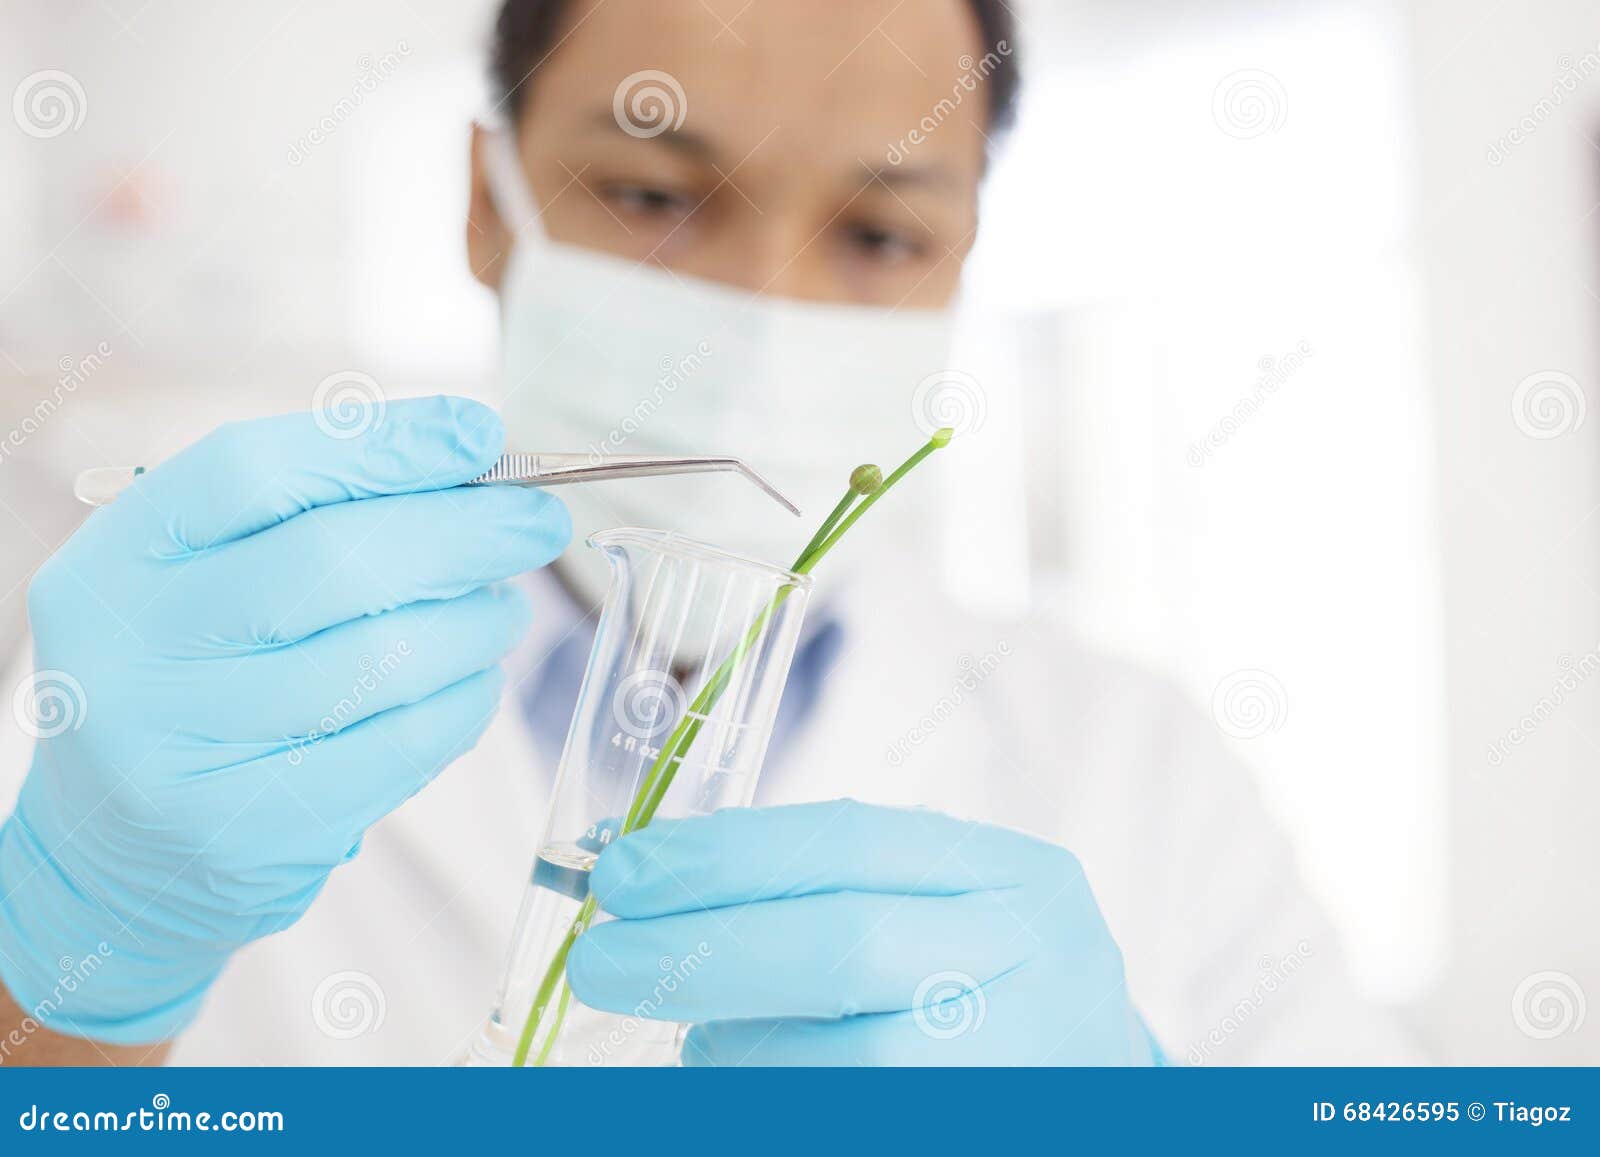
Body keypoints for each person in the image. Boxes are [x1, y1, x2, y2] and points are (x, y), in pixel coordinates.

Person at [0, 0, 1413, 1066]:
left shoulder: (1143, 771)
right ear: (482, 210)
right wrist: (71, 973)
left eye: (878, 234)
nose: (759, 316)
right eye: (656, 196)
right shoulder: (144, 728)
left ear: (966, 259)